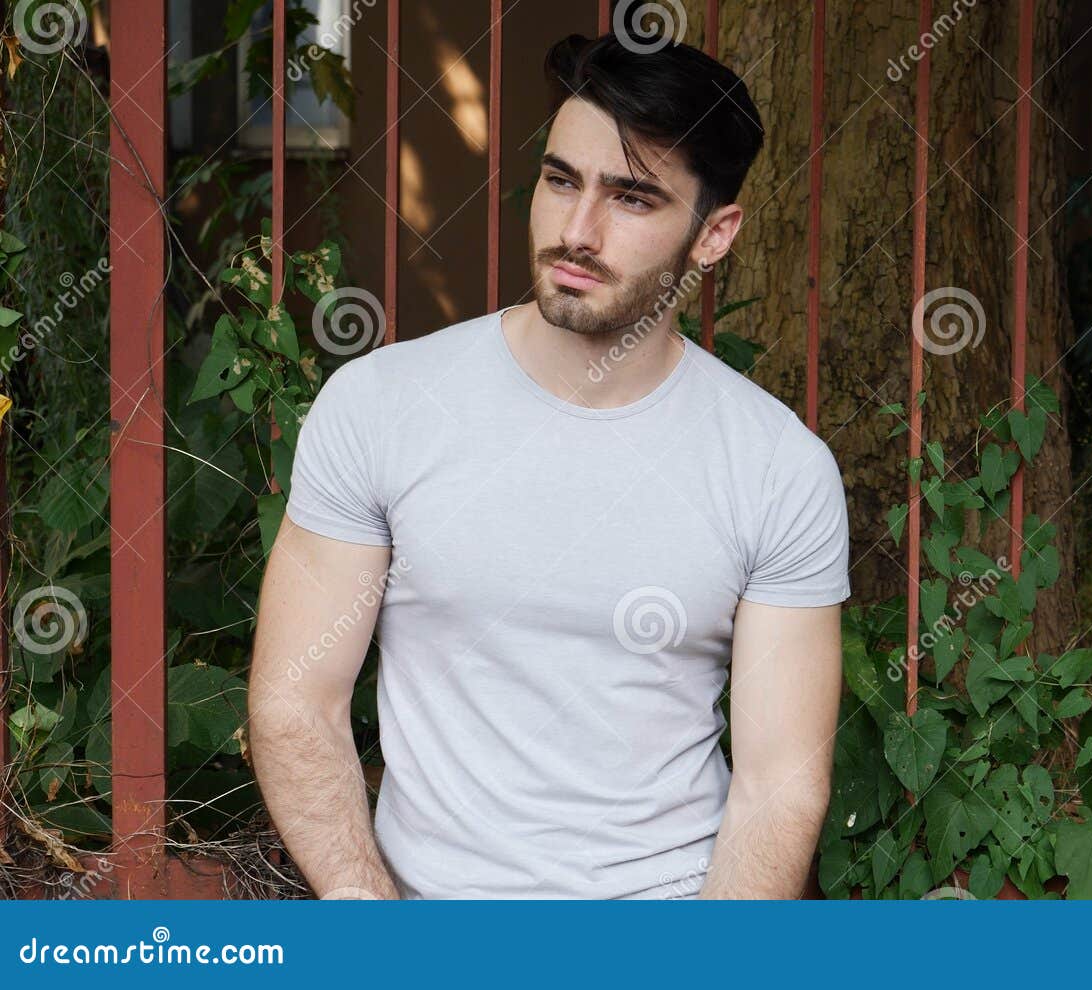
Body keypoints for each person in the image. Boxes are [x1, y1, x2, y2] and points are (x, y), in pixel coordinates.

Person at [248, 31, 850, 899]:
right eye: (562, 180)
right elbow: (295, 701)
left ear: (713, 235)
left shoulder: (777, 468)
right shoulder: (382, 407)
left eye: (632, 199)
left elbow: (778, 788)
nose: (577, 230)